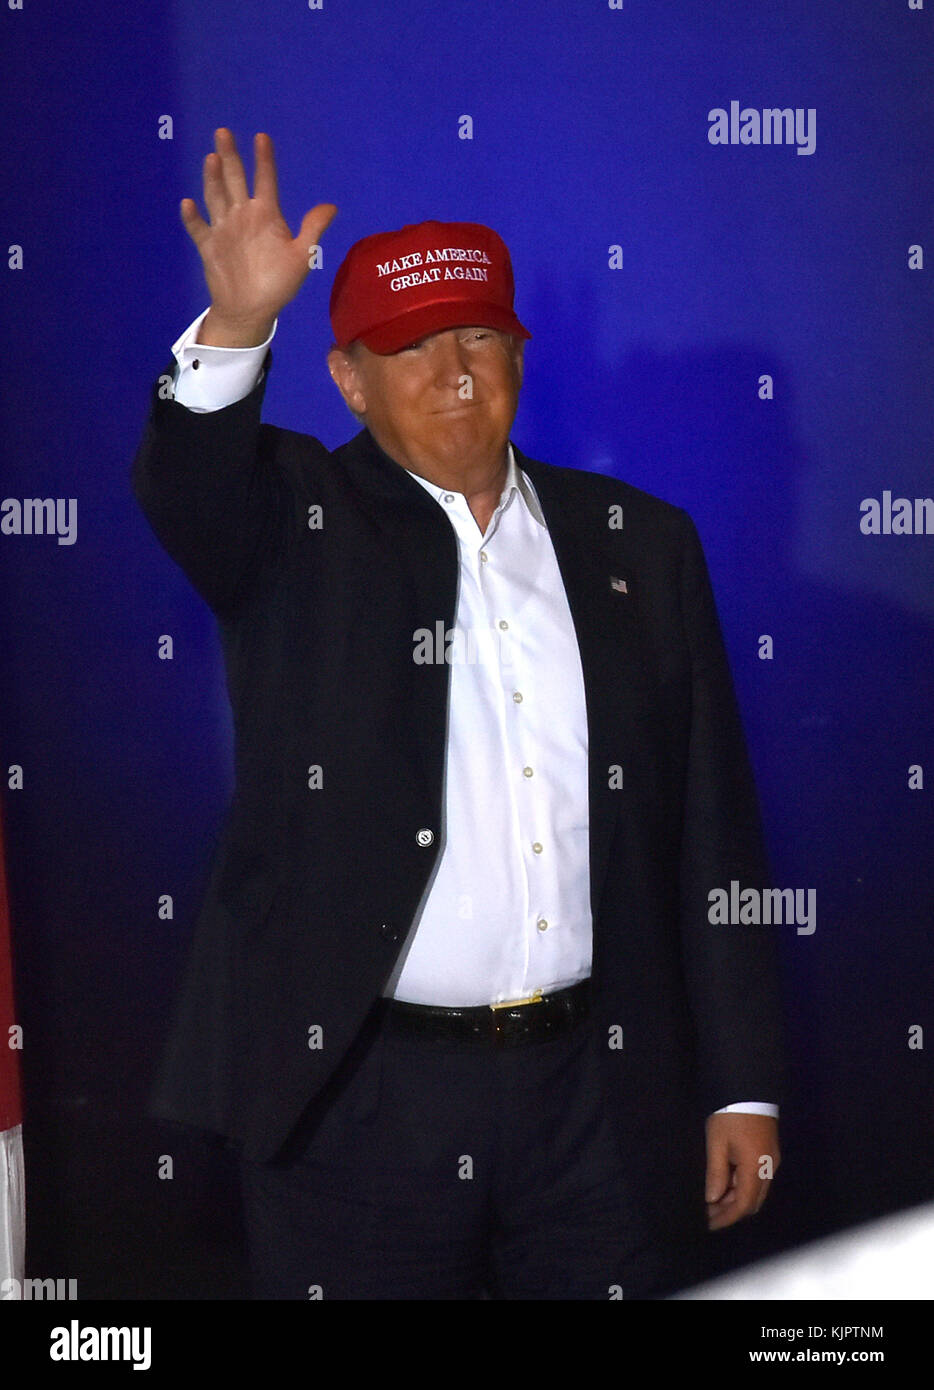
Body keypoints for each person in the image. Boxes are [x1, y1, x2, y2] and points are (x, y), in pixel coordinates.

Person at [132, 127, 785, 1300]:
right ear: (347, 377)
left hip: (600, 1094)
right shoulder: (293, 519)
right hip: (362, 1104)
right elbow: (189, 487)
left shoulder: (642, 541)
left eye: (479, 332)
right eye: (410, 344)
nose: (453, 368)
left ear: (520, 353)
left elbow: (709, 830)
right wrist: (234, 327)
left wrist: (739, 1084)